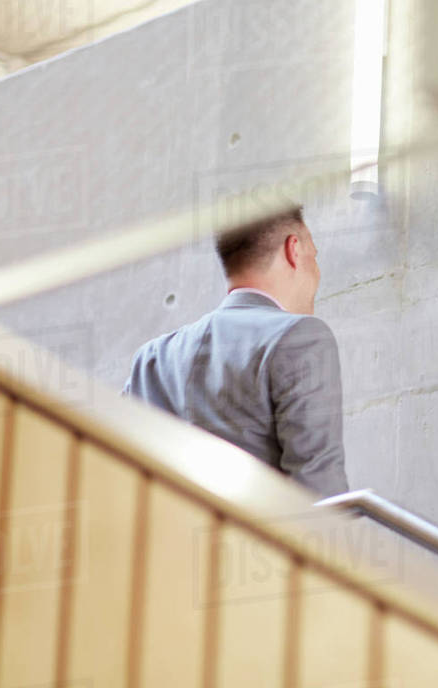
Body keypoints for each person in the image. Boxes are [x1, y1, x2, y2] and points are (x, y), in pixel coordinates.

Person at [123, 205, 347, 497]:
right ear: (293, 250)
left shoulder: (151, 359)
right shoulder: (301, 337)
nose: (317, 272)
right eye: (313, 256)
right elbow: (319, 487)